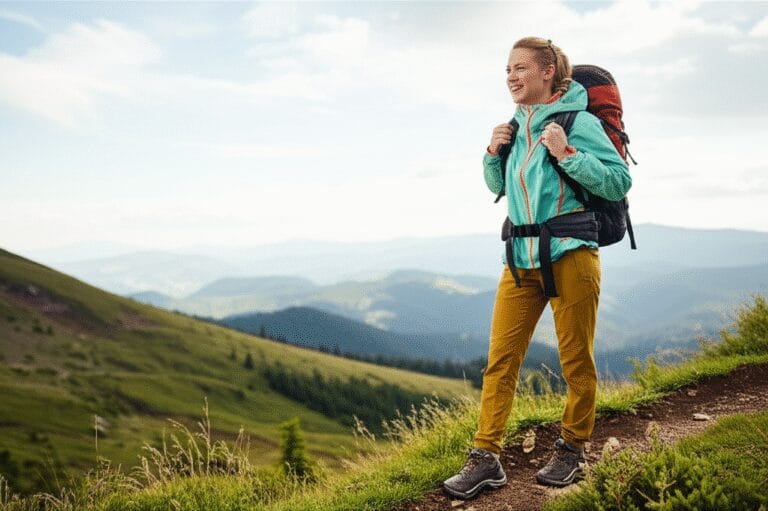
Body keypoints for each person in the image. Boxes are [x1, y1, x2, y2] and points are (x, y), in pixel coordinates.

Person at [443, 37, 631, 499]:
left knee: (575, 362)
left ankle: (572, 448)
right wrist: (492, 152)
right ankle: (485, 457)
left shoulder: (578, 121)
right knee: (500, 363)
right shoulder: (513, 126)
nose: (510, 76)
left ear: (548, 72)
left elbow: (618, 180)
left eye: (520, 68)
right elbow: (498, 187)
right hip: (520, 259)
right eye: (507, 69)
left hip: (572, 255)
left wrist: (568, 153)